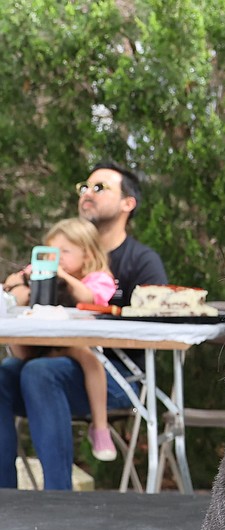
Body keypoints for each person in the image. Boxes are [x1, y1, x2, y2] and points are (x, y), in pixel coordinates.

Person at [0, 162, 167, 490]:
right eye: (84, 187)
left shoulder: (140, 261)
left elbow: (161, 320)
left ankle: (58, 498)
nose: (88, 193)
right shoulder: (57, 256)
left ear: (128, 203)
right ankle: (5, 495)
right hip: (47, 360)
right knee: (5, 373)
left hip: (117, 378)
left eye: (100, 187)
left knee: (40, 373)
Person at [6, 218, 120, 461]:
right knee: (14, 352)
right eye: (51, 251)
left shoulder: (97, 278)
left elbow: (90, 298)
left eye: (64, 252)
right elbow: (14, 283)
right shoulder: (43, 270)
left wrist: (61, 276)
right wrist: (20, 282)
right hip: (41, 343)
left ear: (88, 255)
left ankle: (100, 426)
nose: (56, 258)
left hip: (78, 344)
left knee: (90, 359)